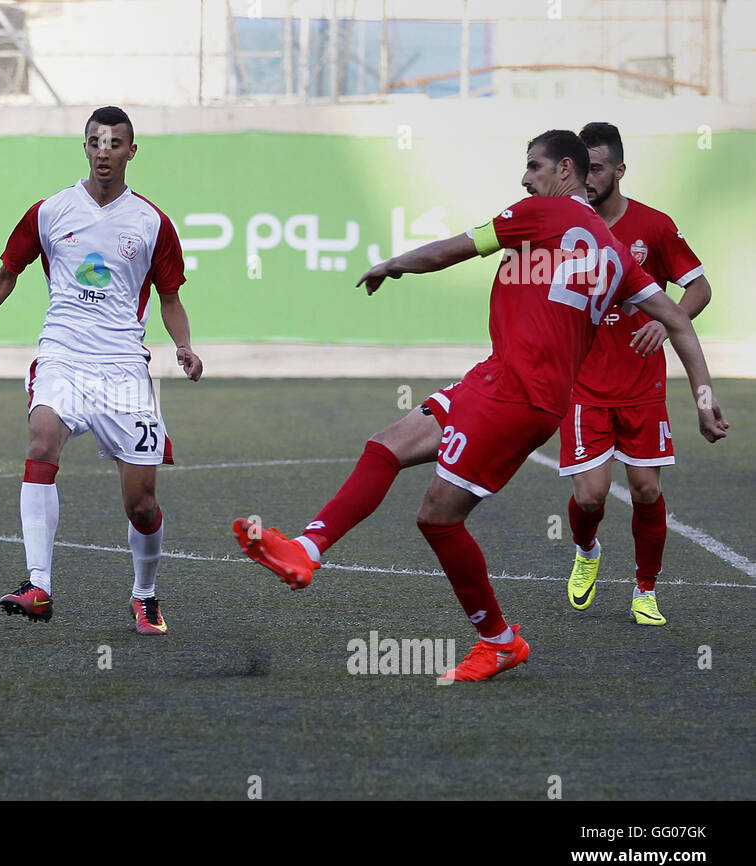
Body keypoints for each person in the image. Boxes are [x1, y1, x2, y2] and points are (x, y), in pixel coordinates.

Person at [234, 130, 726, 681]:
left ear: (565, 169)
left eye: (534, 166)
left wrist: (393, 263)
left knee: (438, 517)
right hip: (498, 378)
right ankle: (307, 547)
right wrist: (703, 399)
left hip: (520, 394)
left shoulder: (543, 214)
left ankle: (499, 641)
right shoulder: (611, 250)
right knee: (387, 446)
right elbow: (679, 317)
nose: (524, 178)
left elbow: (453, 249)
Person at [0, 106, 201, 635]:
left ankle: (145, 595)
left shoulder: (152, 223)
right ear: (85, 146)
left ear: (131, 152)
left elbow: (170, 298)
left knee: (141, 505)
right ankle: (39, 587)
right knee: (41, 438)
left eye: (115, 143)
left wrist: (182, 345)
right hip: (63, 356)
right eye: (95, 141)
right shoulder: (50, 212)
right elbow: (5, 275)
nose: (104, 151)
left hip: (123, 368)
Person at [560, 122, 711, 626]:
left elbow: (699, 288)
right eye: (582, 168)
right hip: (583, 385)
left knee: (646, 489)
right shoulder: (563, 225)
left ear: (619, 171)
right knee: (590, 496)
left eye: (597, 168)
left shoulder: (654, 226)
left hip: (642, 387)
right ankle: (586, 551)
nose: (587, 178)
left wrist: (668, 327)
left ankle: (644, 590)